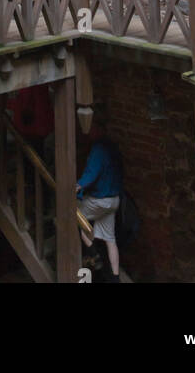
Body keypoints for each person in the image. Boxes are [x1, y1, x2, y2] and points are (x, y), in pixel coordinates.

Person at [76, 118, 123, 280]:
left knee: (74, 216)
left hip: (100, 200)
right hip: (114, 200)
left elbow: (92, 173)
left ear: (99, 129)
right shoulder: (113, 147)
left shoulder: (99, 149)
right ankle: (115, 277)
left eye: (92, 128)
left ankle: (93, 255)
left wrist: (78, 186)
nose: (89, 132)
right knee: (110, 239)